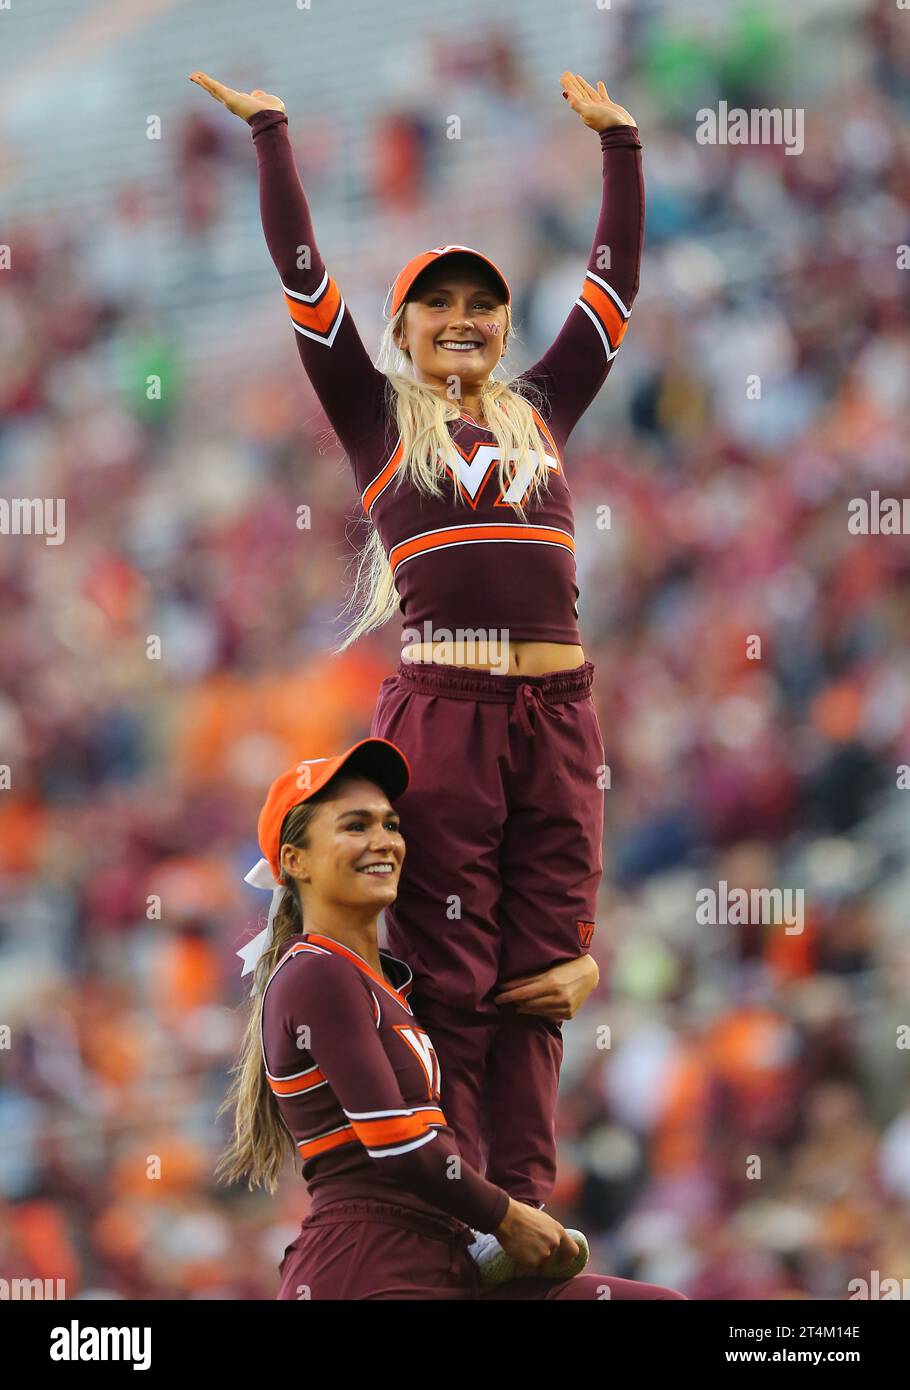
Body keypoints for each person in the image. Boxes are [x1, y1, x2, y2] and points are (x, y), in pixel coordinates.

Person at [190, 66, 645, 1273]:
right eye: (435, 302)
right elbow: (306, 285)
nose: (461, 317)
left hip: (559, 709)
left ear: (503, 325)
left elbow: (610, 295)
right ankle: (476, 1209)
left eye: (481, 303)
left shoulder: (542, 410)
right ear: (402, 332)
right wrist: (276, 135)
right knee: (450, 970)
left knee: (543, 974)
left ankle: (529, 1231)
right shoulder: (379, 421)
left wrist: (622, 152)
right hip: (444, 705)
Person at [215, 738, 687, 1301]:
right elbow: (394, 1141)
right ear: (294, 862)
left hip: (443, 1258)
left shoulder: (392, 984)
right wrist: (506, 1217)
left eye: (391, 825)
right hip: (368, 1269)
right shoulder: (314, 971)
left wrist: (580, 961)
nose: (383, 842)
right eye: (355, 826)